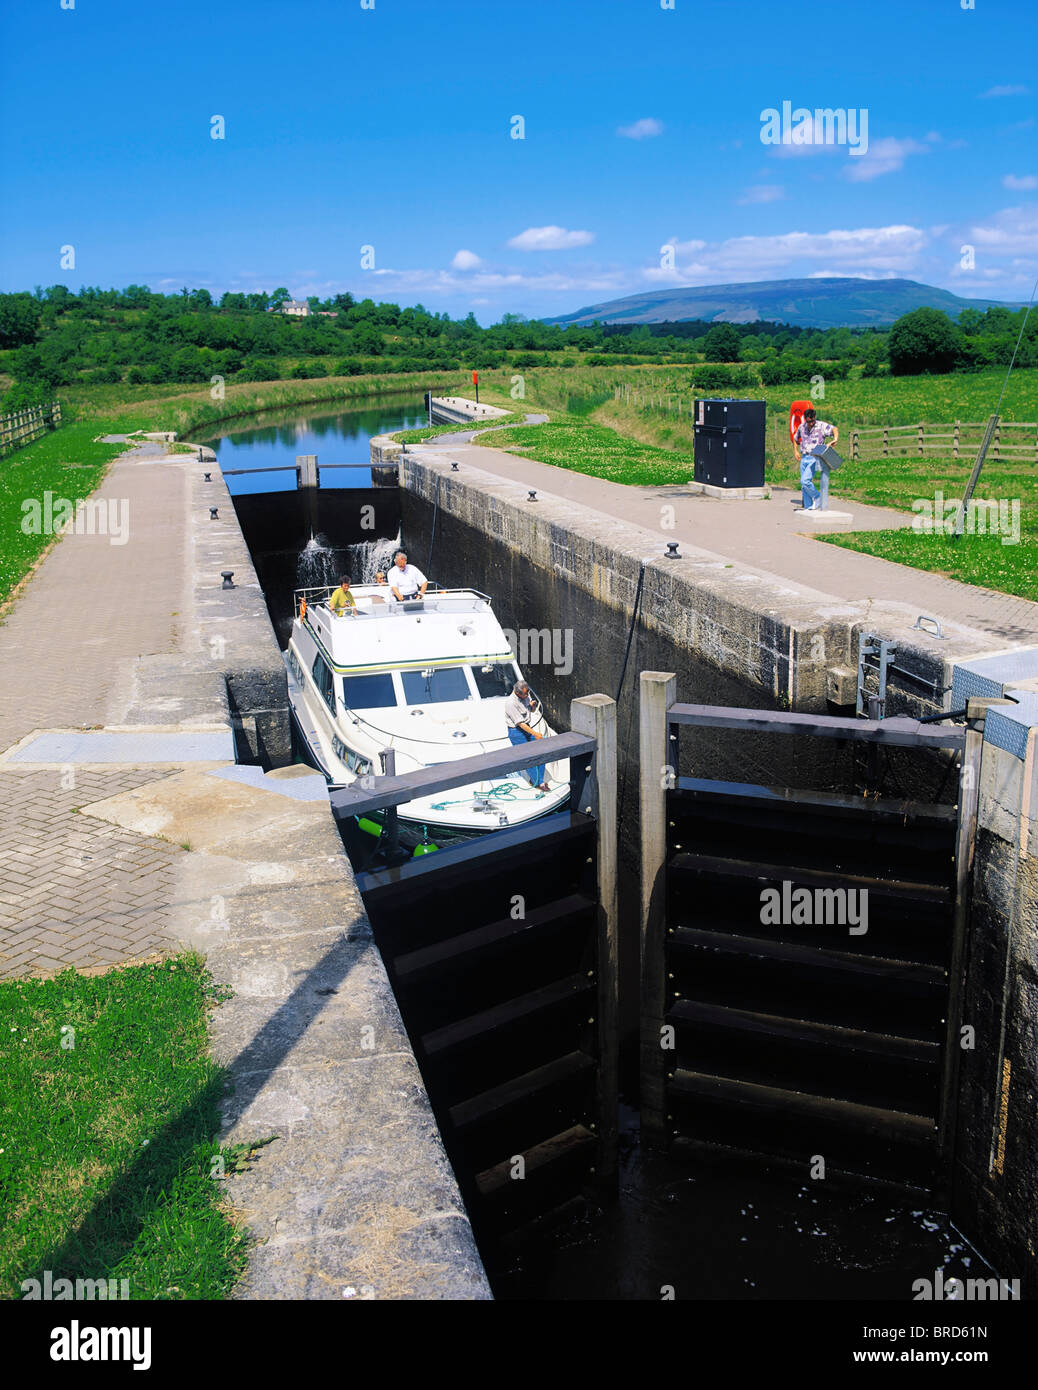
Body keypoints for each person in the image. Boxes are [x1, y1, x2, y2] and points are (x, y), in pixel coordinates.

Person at [504, 680, 550, 793]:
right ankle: (538, 783)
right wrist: (535, 734)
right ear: (518, 693)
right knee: (528, 757)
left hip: (527, 728)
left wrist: (532, 706)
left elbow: (531, 711)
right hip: (517, 732)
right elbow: (520, 723)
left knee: (542, 751)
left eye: (528, 692)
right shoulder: (511, 703)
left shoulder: (526, 695)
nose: (527, 695)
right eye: (525, 694)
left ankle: (538, 779)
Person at [793, 406, 839, 512]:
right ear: (805, 419)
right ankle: (808, 507)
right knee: (804, 485)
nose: (811, 424)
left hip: (815, 457)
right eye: (808, 421)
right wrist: (795, 451)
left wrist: (835, 439)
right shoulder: (802, 427)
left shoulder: (821, 426)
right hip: (804, 457)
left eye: (812, 421)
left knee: (805, 480)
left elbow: (834, 429)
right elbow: (795, 439)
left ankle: (818, 497)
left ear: (815, 417)